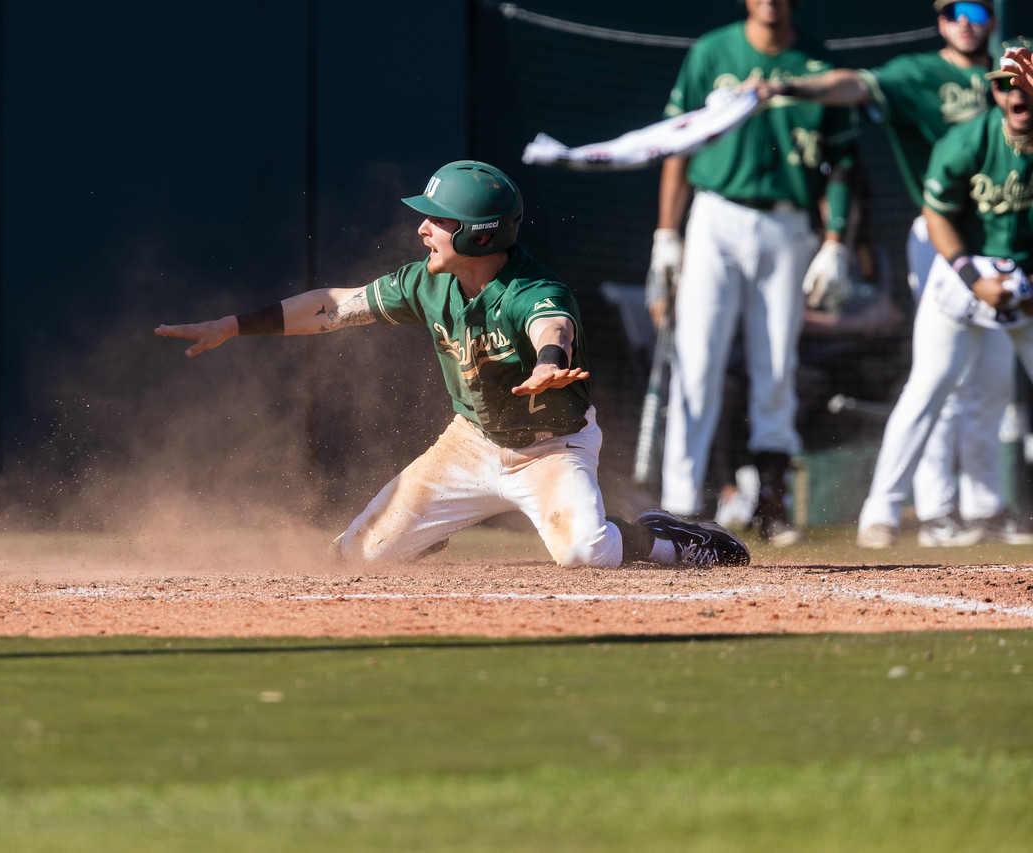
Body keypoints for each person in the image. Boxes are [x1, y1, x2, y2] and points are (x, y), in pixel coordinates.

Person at [157, 160, 750, 568]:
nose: (422, 228)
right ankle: (421, 534)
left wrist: (549, 362)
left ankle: (662, 539)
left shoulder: (531, 288)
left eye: (438, 220)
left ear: (479, 235)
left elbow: (553, 325)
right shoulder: (426, 282)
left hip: (551, 449)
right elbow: (333, 306)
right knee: (355, 558)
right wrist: (233, 325)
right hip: (470, 444)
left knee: (584, 554)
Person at [753, 0, 1022, 548]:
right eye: (951, 10)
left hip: (1014, 246)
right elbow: (853, 84)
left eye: (975, 9)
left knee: (993, 381)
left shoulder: (1016, 70)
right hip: (951, 242)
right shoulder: (936, 100)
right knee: (939, 379)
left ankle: (984, 507)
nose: (963, 20)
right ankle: (925, 508)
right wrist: (787, 86)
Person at [646, 0, 857, 546]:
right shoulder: (712, 51)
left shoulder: (817, 62)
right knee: (696, 360)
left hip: (788, 221)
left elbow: (842, 161)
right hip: (716, 212)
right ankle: (680, 503)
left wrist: (836, 239)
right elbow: (678, 142)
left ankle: (771, 502)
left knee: (777, 365)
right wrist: (666, 232)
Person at [856, 38, 1033, 548]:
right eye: (1005, 86)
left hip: (1024, 282)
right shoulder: (966, 140)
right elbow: (937, 217)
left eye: (1025, 84)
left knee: (992, 393)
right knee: (929, 389)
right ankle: (882, 512)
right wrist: (974, 280)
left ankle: (985, 510)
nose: (1015, 94)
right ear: (993, 93)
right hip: (962, 276)